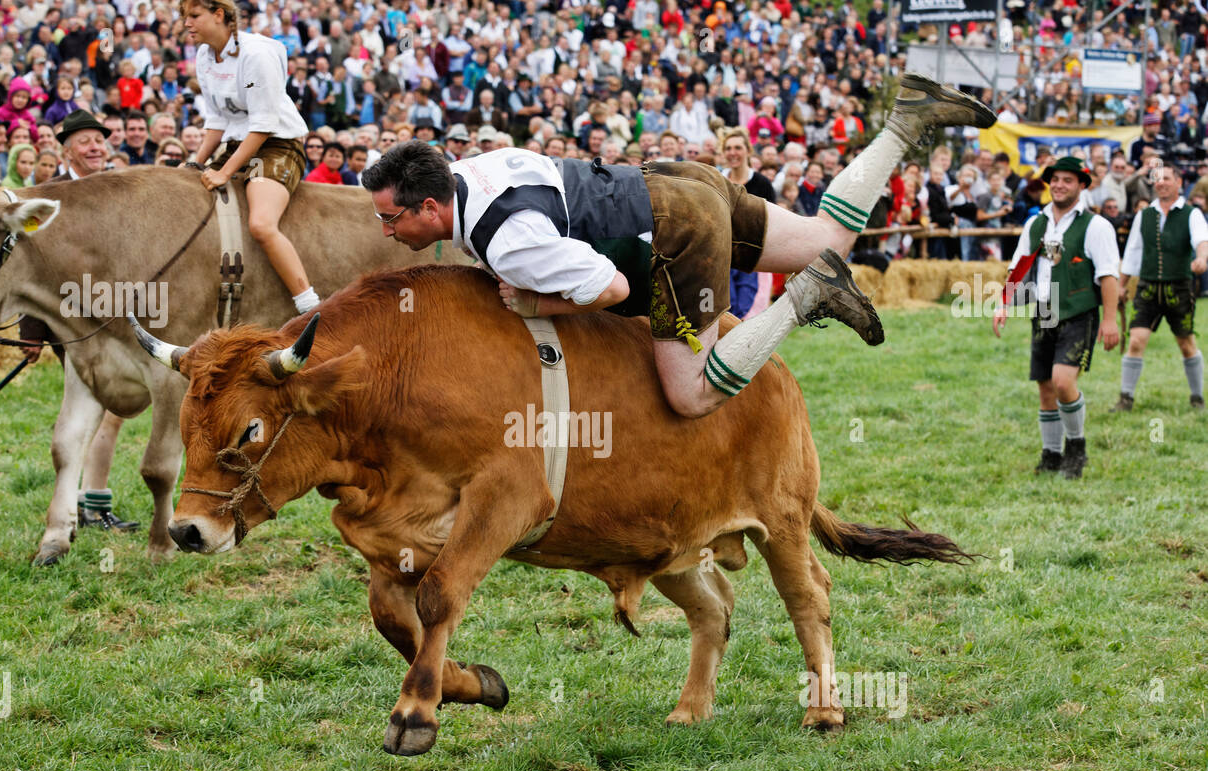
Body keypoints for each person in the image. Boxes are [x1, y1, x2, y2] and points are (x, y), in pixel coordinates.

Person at [363, 74, 995, 418]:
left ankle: (804, 300)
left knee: (689, 395)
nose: (387, 232)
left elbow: (609, 289)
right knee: (828, 238)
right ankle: (904, 120)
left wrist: (533, 304)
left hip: (675, 232)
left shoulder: (509, 242)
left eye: (392, 220)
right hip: (670, 178)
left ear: (429, 207)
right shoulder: (475, 166)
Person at [18, 110, 140, 532]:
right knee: (101, 409)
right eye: (86, 141)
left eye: (100, 141)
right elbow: (30, 268)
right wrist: (30, 334)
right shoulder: (50, 197)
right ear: (66, 148)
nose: (96, 148)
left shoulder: (117, 188)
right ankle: (89, 504)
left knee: (107, 412)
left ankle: (84, 503)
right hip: (69, 321)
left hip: (117, 314)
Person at [184, 0, 320, 316]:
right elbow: (216, 120)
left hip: (277, 144)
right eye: (185, 17)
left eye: (194, 16)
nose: (187, 24)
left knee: (260, 224)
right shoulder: (204, 56)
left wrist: (223, 172)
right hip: (236, 144)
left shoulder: (256, 54)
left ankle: (309, 305)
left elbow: (263, 126)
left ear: (219, 15)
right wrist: (194, 162)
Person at [993, 157, 1122, 480]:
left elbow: (1108, 276)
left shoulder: (1096, 225)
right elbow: (1019, 266)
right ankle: (1051, 454)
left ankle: (1076, 449)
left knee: (1064, 382)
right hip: (1044, 312)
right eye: (1056, 179)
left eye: (1068, 180)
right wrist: (1004, 303)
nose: (1060, 185)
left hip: (1079, 312)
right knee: (1046, 387)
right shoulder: (1036, 222)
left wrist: (1109, 321)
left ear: (1081, 185)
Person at [1110, 164, 1208, 412]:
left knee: (1186, 343)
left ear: (1178, 183)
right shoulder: (1145, 215)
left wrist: (1202, 259)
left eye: (1167, 178)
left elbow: (1202, 241)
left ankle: (1197, 398)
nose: (1161, 182)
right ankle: (1126, 398)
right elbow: (1132, 252)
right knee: (1136, 341)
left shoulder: (1191, 213)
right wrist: (1121, 286)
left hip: (1180, 288)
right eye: (1157, 179)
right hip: (1148, 288)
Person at [720, 127, 773, 317]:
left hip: (753, 258)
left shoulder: (762, 183)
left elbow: (770, 220)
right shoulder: (718, 181)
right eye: (728, 148)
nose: (732, 153)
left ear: (748, 150)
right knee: (725, 311)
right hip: (722, 256)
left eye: (738, 147)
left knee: (749, 313)